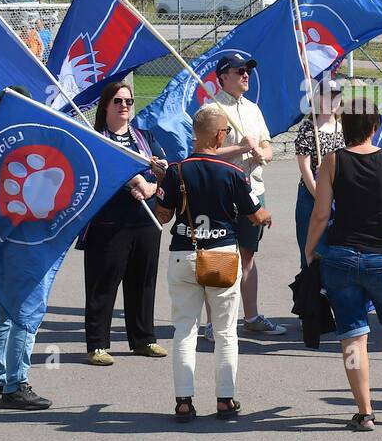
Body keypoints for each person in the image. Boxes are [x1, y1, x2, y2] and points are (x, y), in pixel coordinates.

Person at [305, 102, 382, 430]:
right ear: (375, 125)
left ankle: (365, 411)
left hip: (341, 256)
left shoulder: (332, 161)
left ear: (345, 125)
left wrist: (309, 248)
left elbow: (320, 214)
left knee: (352, 334)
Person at [154, 105, 273, 422]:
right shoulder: (232, 173)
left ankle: (183, 401)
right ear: (220, 135)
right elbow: (256, 215)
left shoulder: (176, 171)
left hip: (183, 253)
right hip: (220, 255)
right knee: (225, 332)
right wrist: (267, 216)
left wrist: (161, 186)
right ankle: (225, 400)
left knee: (184, 331)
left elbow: (162, 216)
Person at [82, 80, 170, 365]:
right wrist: (133, 180)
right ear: (106, 105)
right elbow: (98, 172)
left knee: (143, 281)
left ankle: (143, 339)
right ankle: (97, 344)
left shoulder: (144, 137)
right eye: (118, 101)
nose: (124, 106)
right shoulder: (96, 137)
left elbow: (164, 171)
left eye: (129, 102)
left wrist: (151, 186)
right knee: (103, 284)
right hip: (109, 224)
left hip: (145, 220)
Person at [0, 86, 56, 410]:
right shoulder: (25, 147)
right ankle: (16, 384)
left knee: (5, 310)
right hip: (27, 240)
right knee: (26, 312)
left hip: (1, 241)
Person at [211, 52, 285, 336]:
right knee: (219, 257)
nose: (245, 75)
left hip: (253, 191)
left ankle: (251, 317)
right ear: (223, 77)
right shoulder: (212, 109)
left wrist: (261, 152)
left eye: (248, 71)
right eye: (239, 70)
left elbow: (267, 147)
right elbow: (205, 152)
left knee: (248, 255)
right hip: (222, 194)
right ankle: (214, 323)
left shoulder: (254, 109)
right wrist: (241, 148)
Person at [293, 74, 344, 267]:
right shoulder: (308, 128)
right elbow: (305, 167)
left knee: (332, 251)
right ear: (318, 98)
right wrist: (319, 194)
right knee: (310, 248)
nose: (332, 100)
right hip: (310, 195)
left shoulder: (343, 129)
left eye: (336, 96)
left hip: (337, 195)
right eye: (328, 96)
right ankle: (309, 292)